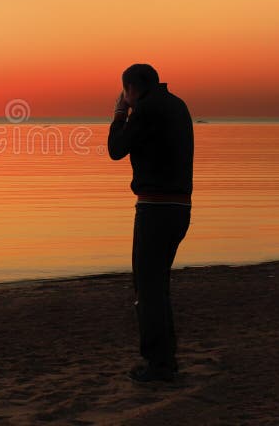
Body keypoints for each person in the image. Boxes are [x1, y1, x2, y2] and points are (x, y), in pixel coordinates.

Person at [107, 63, 194, 383]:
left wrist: (120, 113)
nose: (124, 98)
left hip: (156, 209)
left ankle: (158, 364)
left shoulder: (145, 109)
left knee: (148, 288)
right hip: (179, 208)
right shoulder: (177, 105)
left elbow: (116, 149)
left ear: (131, 88)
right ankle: (166, 359)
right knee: (158, 286)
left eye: (124, 93)